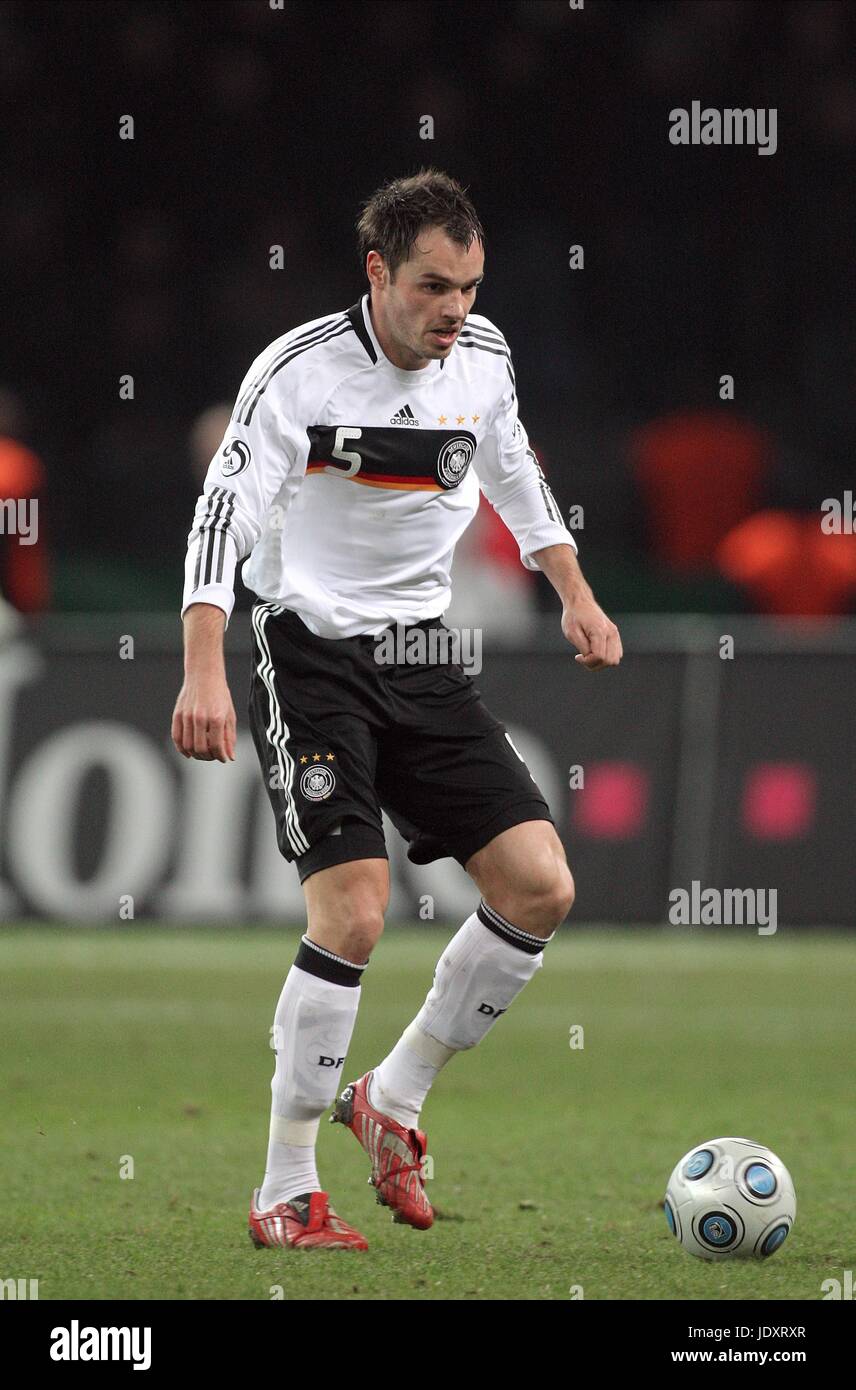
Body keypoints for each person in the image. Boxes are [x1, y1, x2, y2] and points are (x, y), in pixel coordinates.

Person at [171, 168, 622, 1252]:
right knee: (356, 913)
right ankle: (285, 1188)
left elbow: (513, 471)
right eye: (431, 286)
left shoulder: (485, 359)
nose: (453, 309)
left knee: (539, 886)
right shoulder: (297, 374)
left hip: (424, 656)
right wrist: (200, 666)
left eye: (468, 286)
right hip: (310, 651)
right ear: (377, 274)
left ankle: (394, 1095)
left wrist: (576, 592)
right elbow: (220, 515)